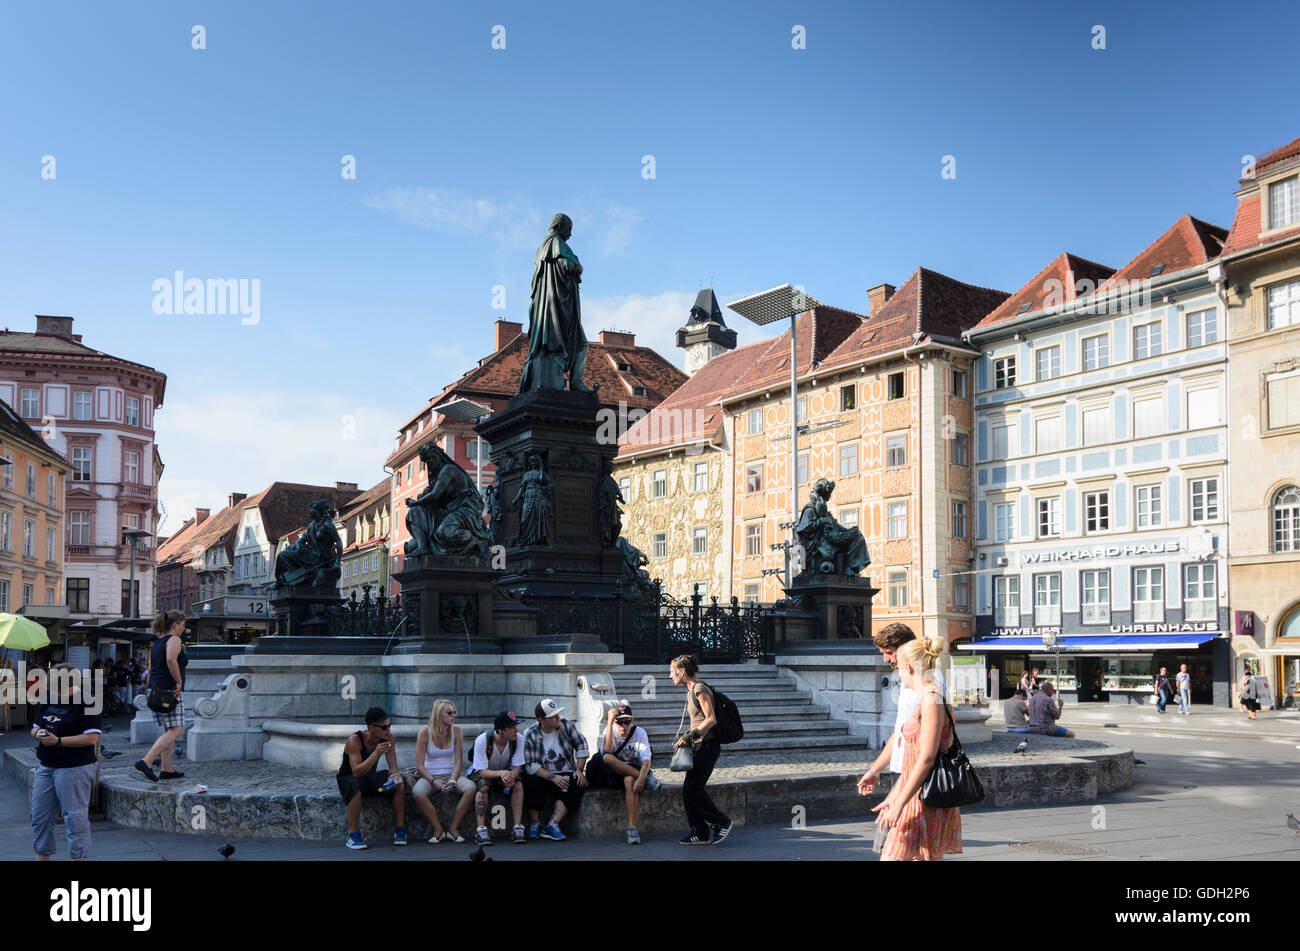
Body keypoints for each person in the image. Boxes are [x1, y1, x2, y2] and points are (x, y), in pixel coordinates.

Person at [869, 635, 962, 861]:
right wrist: (895, 796)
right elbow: (913, 757)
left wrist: (899, 803)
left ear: (909, 668)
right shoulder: (926, 699)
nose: (898, 674)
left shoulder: (931, 699)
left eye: (899, 669)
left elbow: (927, 759)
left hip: (924, 799)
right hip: (914, 795)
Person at [858, 623, 950, 802]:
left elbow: (926, 751)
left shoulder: (928, 684)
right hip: (907, 773)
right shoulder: (910, 682)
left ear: (905, 651)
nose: (885, 659)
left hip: (919, 778)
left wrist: (897, 800)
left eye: (889, 652)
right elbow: (901, 731)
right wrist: (875, 770)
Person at [30, 663, 102, 861]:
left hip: (74, 767)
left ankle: (78, 860)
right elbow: (34, 727)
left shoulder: (87, 701)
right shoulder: (50, 699)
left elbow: (92, 738)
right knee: (40, 817)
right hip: (46, 765)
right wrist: (38, 733)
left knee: (75, 819)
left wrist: (59, 741)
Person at [671, 654, 732, 846]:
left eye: (672, 672)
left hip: (708, 745)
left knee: (692, 788)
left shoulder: (699, 689)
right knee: (689, 789)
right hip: (699, 746)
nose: (670, 676)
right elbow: (699, 721)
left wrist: (690, 736)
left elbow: (711, 719)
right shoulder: (691, 690)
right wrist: (687, 736)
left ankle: (721, 821)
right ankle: (700, 832)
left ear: (682, 672)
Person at [338, 706, 406, 849]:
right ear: (372, 728)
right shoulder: (355, 740)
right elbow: (356, 772)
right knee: (355, 785)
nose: (388, 730)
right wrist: (376, 753)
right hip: (348, 779)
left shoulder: (388, 738)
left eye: (389, 726)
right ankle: (352, 834)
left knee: (399, 783)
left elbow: (393, 767)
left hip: (369, 778)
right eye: (384, 727)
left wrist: (395, 776)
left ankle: (400, 830)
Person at [411, 698, 476, 844]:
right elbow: (419, 766)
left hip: (451, 774)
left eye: (454, 712)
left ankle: (453, 829)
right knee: (418, 792)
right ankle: (438, 830)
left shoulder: (457, 731)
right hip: (430, 776)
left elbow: (458, 761)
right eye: (449, 712)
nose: (453, 715)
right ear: (438, 714)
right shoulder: (424, 733)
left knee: (471, 788)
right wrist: (433, 781)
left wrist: (452, 780)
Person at [521, 698, 588, 841]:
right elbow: (530, 765)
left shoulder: (565, 724)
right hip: (543, 774)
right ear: (541, 720)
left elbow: (581, 745)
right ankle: (535, 823)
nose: (558, 717)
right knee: (530, 780)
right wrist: (553, 778)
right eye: (553, 715)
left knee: (578, 783)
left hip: (565, 772)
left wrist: (579, 769)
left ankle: (552, 824)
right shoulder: (530, 734)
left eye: (558, 713)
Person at [135, 611, 189, 783]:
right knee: (177, 729)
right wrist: (179, 682)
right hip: (169, 691)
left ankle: (166, 768)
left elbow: (150, 669)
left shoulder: (157, 643)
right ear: (175, 625)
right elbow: (171, 660)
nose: (183, 628)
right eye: (182, 625)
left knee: (169, 729)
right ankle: (147, 761)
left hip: (155, 690)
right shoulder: (174, 640)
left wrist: (147, 690)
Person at [601, 701, 661, 845]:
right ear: (614, 722)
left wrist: (640, 778)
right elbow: (607, 750)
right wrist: (609, 721)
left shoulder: (639, 732)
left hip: (632, 772)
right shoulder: (609, 730)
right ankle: (648, 779)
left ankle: (632, 827)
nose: (623, 726)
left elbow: (646, 760)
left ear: (632, 720)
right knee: (607, 757)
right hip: (613, 772)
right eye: (619, 722)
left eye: (627, 722)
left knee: (630, 780)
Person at [468, 711, 528, 845]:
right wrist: (501, 773)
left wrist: (511, 778)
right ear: (500, 730)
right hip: (485, 773)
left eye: (516, 726)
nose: (516, 730)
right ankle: (480, 830)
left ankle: (517, 828)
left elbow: (517, 767)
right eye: (512, 727)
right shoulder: (483, 740)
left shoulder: (519, 739)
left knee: (518, 784)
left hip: (504, 773)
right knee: (483, 787)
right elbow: (482, 772)